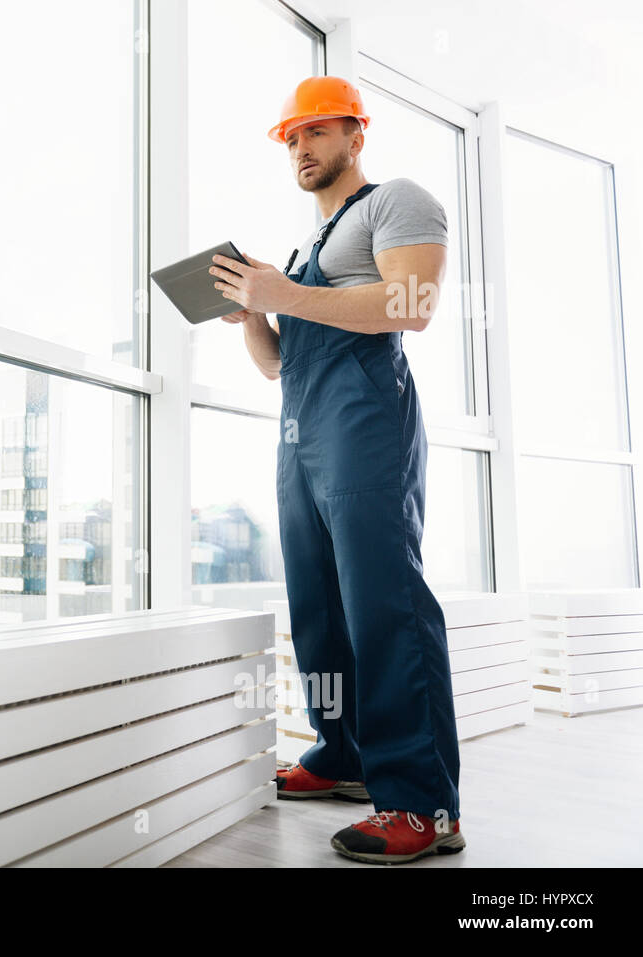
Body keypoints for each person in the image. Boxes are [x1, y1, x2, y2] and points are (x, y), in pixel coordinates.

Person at [208, 75, 464, 865]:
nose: (303, 148)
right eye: (292, 138)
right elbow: (277, 365)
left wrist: (285, 291)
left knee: (384, 601)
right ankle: (343, 752)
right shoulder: (305, 252)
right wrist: (256, 311)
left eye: (318, 131)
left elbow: (410, 302)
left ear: (357, 134)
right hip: (302, 431)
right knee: (318, 606)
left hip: (364, 428)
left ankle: (423, 805)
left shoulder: (398, 202)